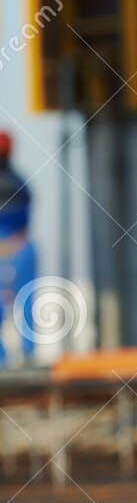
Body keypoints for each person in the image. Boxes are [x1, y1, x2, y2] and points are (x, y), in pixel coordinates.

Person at [0, 131, 37, 367]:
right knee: (26, 305)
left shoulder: (15, 183)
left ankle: (5, 361)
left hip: (8, 252)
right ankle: (27, 357)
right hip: (23, 249)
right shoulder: (21, 183)